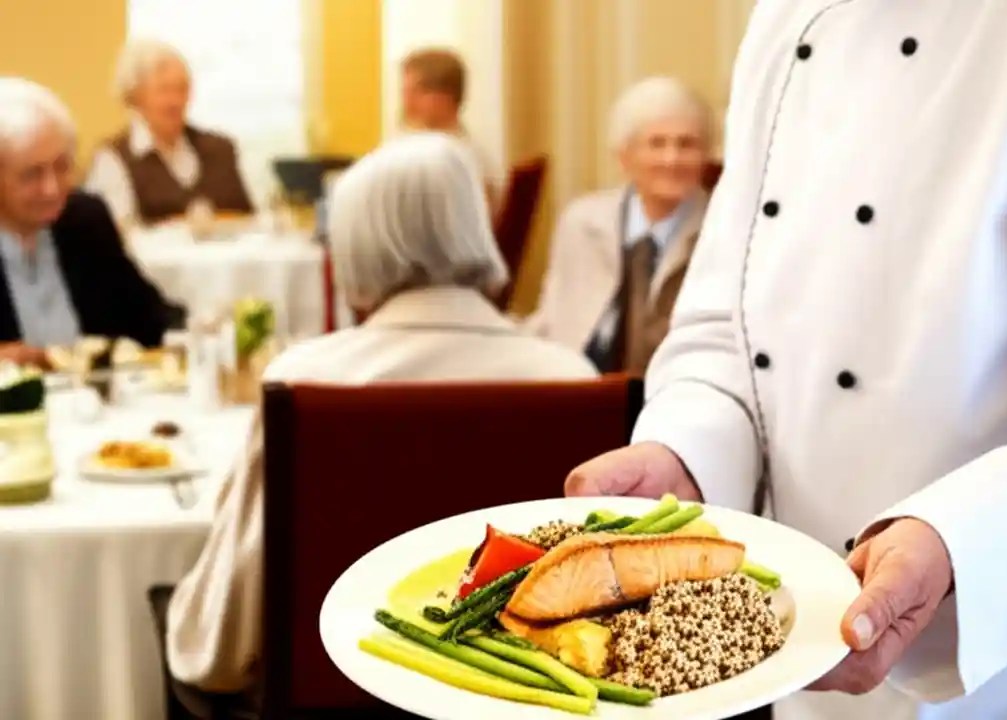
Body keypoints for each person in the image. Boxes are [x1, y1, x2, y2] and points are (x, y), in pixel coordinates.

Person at [565, 3, 1007, 719]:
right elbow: (727, 317)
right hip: (813, 641)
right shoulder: (787, 11)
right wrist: (686, 453)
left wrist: (961, 541)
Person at [165, 133, 596, 702]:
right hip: (521, 702)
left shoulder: (306, 381)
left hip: (329, 693)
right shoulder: (570, 380)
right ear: (475, 226)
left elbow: (228, 628)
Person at [526, 77, 712, 375]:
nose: (672, 159)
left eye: (687, 144)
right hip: (580, 391)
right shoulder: (582, 223)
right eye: (656, 143)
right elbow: (552, 318)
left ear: (705, 155)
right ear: (625, 156)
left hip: (677, 398)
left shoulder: (721, 230)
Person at [0, 78, 175, 365]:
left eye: (62, 167)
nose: (52, 189)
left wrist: (200, 331)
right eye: (31, 174)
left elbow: (150, 315)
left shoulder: (84, 219)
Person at [84, 39, 254, 229]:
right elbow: (118, 235)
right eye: (164, 90)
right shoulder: (113, 158)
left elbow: (251, 220)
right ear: (136, 95)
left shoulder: (221, 149)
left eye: (182, 89)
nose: (176, 101)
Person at [400, 48, 501, 213]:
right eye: (405, 92)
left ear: (445, 97)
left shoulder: (463, 161)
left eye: (416, 92)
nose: (407, 102)